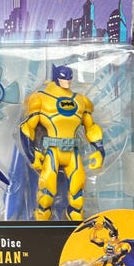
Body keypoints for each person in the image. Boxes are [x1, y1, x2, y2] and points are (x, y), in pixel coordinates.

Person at [20, 64, 104, 221]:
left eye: (69, 78)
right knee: (46, 192)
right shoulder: (41, 98)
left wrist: (99, 149)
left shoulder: (81, 100)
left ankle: (75, 223)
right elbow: (27, 127)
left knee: (78, 191)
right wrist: (32, 154)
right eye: (64, 78)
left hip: (72, 152)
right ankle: (41, 218)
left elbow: (91, 127)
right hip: (53, 150)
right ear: (56, 78)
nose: (67, 82)